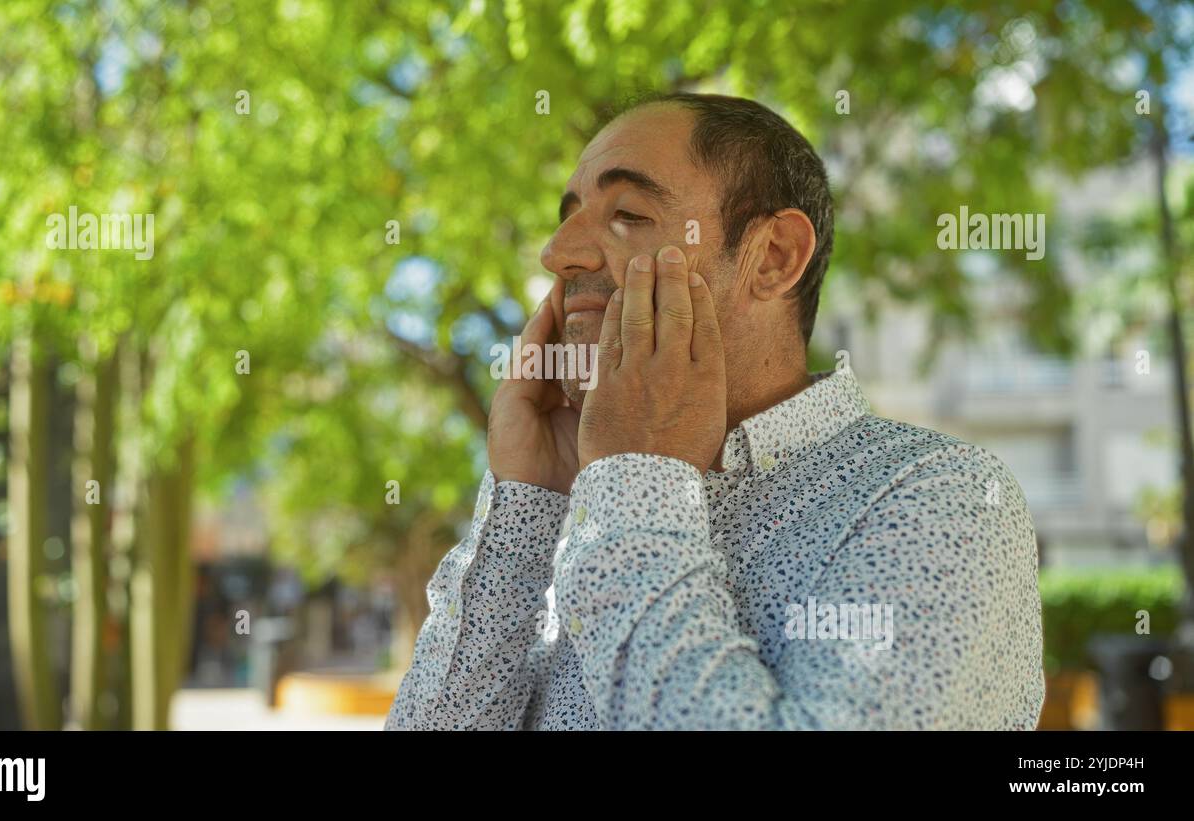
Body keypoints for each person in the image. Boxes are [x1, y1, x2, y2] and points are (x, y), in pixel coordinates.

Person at [385, 93, 1044, 730]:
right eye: (569, 214)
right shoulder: (579, 512)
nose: (558, 253)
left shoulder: (942, 499)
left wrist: (637, 474)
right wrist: (526, 508)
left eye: (627, 215)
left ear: (774, 256)